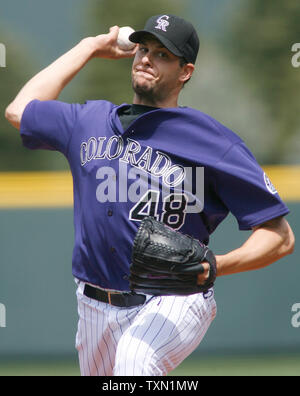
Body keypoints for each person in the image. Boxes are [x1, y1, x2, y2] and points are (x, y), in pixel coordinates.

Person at [5, 14, 295, 376]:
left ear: (185, 72)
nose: (146, 58)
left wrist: (216, 265)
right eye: (143, 48)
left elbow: (280, 237)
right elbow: (19, 110)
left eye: (162, 54)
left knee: (135, 363)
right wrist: (90, 47)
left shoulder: (212, 141)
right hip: (94, 304)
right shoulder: (89, 120)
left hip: (174, 299)